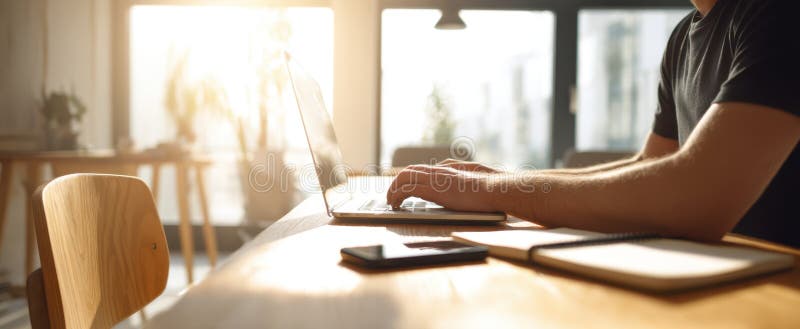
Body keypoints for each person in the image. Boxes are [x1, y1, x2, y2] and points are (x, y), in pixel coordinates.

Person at [386, 0, 800, 247]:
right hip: (728, 272)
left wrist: (493, 190)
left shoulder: (778, 14)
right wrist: (503, 180)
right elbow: (649, 165)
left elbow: (697, 197)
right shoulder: (681, 39)